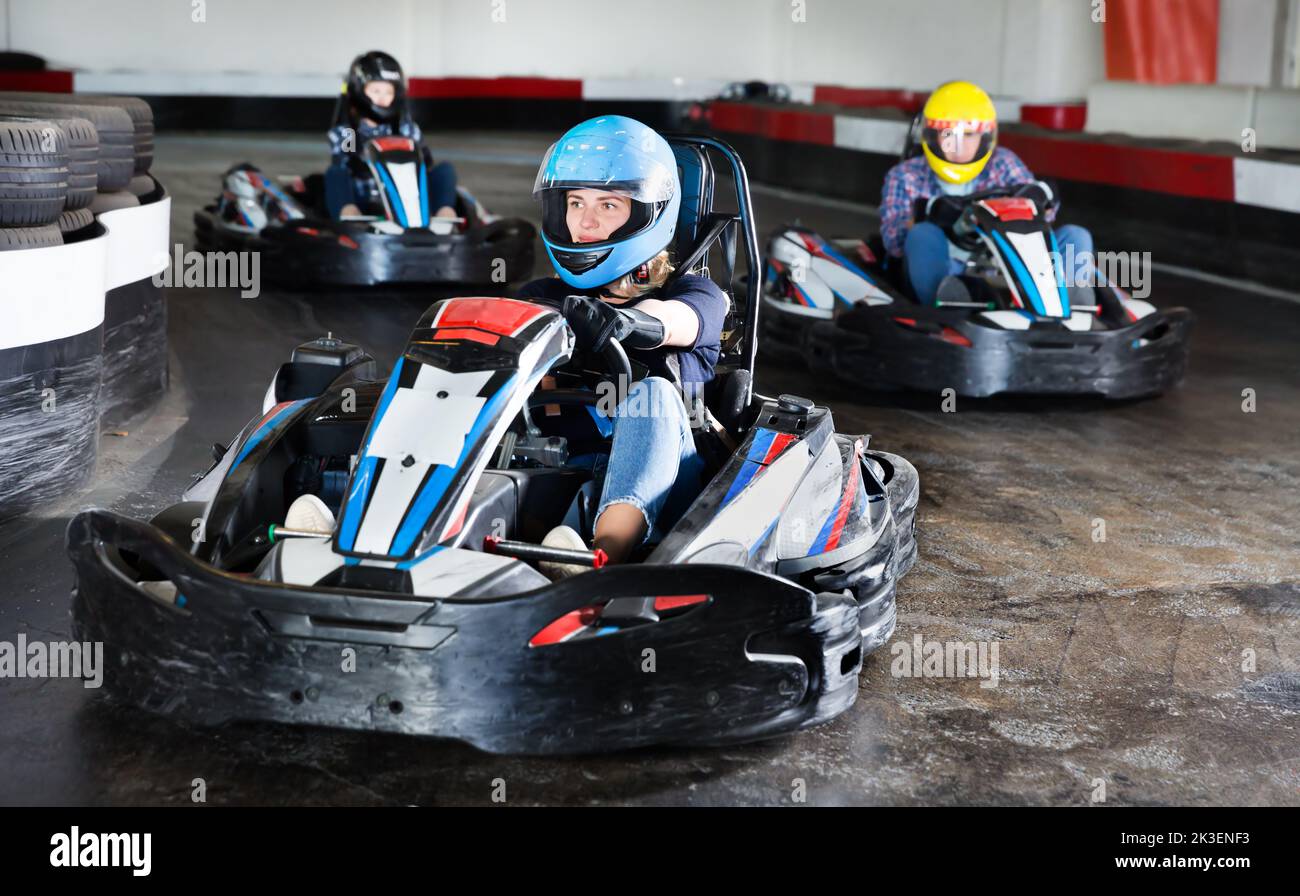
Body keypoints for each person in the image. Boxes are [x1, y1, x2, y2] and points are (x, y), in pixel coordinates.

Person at [517, 115, 728, 573]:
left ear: (647, 213)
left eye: (608, 205)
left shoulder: (693, 294)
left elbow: (681, 323)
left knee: (652, 395)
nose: (585, 220)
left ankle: (602, 561)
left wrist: (624, 321)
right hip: (554, 471)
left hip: (673, 491)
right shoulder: (541, 297)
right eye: (575, 202)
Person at [879, 80, 1093, 304]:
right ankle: (945, 306)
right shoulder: (905, 176)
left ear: (985, 136)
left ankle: (1072, 305)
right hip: (948, 267)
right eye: (949, 134)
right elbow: (893, 242)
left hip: (1008, 266)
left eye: (969, 135)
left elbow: (1044, 214)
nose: (959, 144)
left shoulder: (1002, 162)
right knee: (923, 234)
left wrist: (1035, 199)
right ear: (932, 135)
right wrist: (929, 216)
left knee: (1075, 236)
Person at [323, 51, 458, 221]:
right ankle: (348, 214)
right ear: (360, 92)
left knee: (445, 170)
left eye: (388, 92)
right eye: (376, 91)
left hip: (406, 196)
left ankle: (444, 213)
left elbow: (426, 164)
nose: (382, 98)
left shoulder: (406, 129)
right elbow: (345, 164)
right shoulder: (349, 132)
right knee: (336, 173)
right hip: (364, 196)